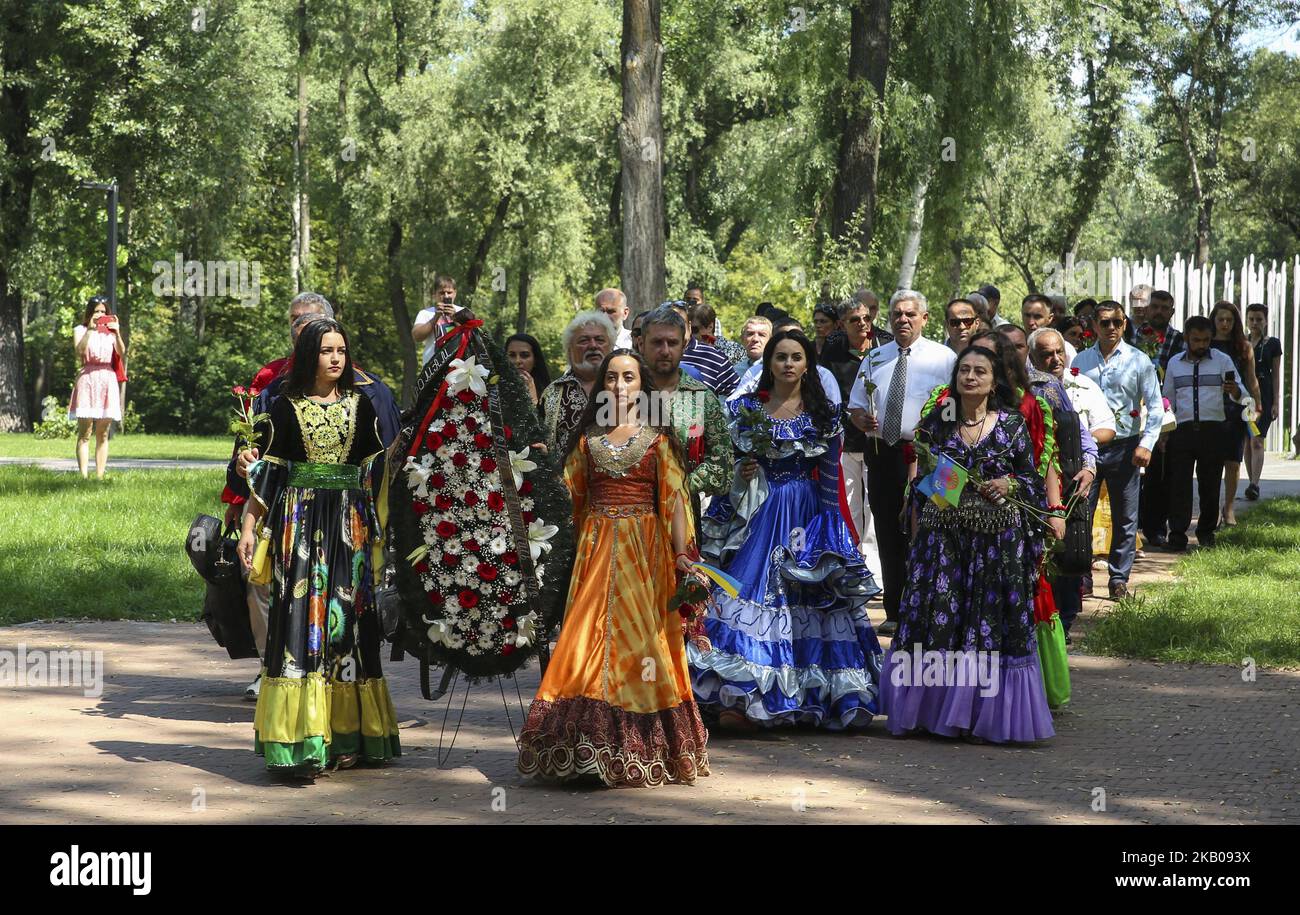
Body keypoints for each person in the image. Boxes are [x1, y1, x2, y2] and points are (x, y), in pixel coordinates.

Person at [517, 350, 710, 787]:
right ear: (602, 386)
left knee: (643, 646)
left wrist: (683, 556)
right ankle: (585, 747)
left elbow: (676, 501)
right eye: (612, 378)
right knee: (583, 640)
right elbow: (568, 501)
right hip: (595, 556)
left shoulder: (660, 441)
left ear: (642, 386)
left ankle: (636, 746)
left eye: (629, 377)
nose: (620, 386)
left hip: (646, 560)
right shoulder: (586, 442)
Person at [689, 330, 883, 729]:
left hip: (807, 513)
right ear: (769, 364)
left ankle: (812, 695)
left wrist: (833, 536)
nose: (789, 364)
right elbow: (730, 466)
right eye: (781, 357)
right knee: (745, 588)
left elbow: (830, 476)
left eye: (796, 357)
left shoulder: (824, 414)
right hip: (760, 511)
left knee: (808, 600)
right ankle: (740, 696)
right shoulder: (746, 410)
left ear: (807, 364)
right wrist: (743, 472)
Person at [237, 318, 400, 777]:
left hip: (350, 529)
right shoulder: (283, 410)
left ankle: (349, 736)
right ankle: (300, 741)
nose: (335, 358)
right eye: (327, 350)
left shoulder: (362, 406)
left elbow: (380, 473)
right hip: (300, 528)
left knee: (346, 627)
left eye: (342, 351)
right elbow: (268, 478)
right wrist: (249, 528)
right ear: (309, 354)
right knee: (300, 626)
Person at [878, 344, 1053, 744]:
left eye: (980, 372)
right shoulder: (939, 423)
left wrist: (1007, 483)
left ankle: (985, 716)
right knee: (942, 621)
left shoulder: (1010, 424)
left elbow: (1031, 481)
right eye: (964, 371)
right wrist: (957, 487)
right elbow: (924, 485)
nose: (970, 377)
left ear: (994, 383)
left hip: (997, 545)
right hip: (943, 541)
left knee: (987, 626)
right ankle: (934, 713)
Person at [848, 290, 957, 635]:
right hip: (883, 454)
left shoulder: (945, 358)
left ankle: (937, 608)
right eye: (897, 314)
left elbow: (957, 409)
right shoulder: (875, 358)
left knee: (938, 527)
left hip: (936, 456)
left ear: (925, 318)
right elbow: (853, 406)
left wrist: (936, 432)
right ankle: (895, 609)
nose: (903, 320)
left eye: (910, 314)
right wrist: (860, 419)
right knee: (888, 530)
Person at [1070, 301, 1164, 599]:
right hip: (1089, 447)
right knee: (1082, 513)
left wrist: (1146, 444)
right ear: (1094, 326)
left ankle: (1118, 578)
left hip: (1126, 446)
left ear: (1124, 325)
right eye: (1104, 322)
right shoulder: (1080, 361)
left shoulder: (1139, 361)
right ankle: (1081, 575)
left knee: (1126, 515)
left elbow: (1156, 407)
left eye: (1117, 322)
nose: (1111, 328)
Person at [1030, 326, 1113, 635]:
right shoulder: (1012, 394)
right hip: (1026, 497)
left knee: (1068, 562)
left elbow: (1083, 436)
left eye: (1058, 352)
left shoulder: (1055, 389)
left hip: (1067, 491)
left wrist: (1089, 467)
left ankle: (1060, 633)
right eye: (1045, 355)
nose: (1054, 359)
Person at [639, 306, 733, 521]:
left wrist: (680, 484)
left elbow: (723, 468)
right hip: (629, 517)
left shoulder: (703, 398)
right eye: (656, 342)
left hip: (684, 513)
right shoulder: (623, 396)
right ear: (641, 344)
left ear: (684, 345)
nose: (664, 350)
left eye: (672, 343)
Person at [1161, 316, 1242, 550]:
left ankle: (1206, 534)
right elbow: (1168, 400)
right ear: (1186, 338)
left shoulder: (1222, 360)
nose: (1201, 345)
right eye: (1196, 340)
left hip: (1213, 430)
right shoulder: (1175, 363)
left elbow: (1241, 394)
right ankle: (1177, 535)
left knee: (1210, 484)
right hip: (1182, 430)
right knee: (1180, 486)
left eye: (1206, 340)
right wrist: (1164, 434)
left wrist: (1234, 390)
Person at [820, 297, 885, 578]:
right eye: (854, 320)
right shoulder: (833, 353)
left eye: (866, 319)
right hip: (845, 440)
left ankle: (872, 566)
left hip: (878, 439)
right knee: (848, 501)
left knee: (874, 503)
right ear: (841, 325)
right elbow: (825, 392)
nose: (862, 324)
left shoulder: (884, 349)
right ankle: (850, 561)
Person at [1134, 289, 1183, 548]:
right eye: (1155, 307)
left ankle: (1155, 528)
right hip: (1131, 408)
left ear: (1171, 312)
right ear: (1147, 308)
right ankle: (1131, 529)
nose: (1159, 312)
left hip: (1161, 409)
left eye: (1165, 308)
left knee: (1159, 473)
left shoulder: (1179, 340)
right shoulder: (1132, 335)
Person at [1209, 301, 1262, 526]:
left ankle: (1229, 507)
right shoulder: (1205, 344)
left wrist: (1257, 405)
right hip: (1210, 408)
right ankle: (1210, 509)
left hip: (1236, 407)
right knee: (1211, 461)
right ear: (1213, 321)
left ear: (1236, 322)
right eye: (1220, 319)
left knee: (1233, 460)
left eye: (1229, 320)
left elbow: (1251, 378)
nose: (1224, 324)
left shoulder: (1244, 346)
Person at [539, 310, 615, 457]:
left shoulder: (628, 388)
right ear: (569, 350)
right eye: (584, 340)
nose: (593, 346)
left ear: (611, 347)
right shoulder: (553, 393)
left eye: (600, 340)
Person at [69, 295, 126, 480]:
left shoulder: (110, 333)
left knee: (103, 433)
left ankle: (100, 476)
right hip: (87, 378)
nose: (100, 314)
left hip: (107, 379)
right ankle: (83, 476)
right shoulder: (80, 329)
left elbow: (121, 352)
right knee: (85, 432)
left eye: (103, 311)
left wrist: (117, 333)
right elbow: (79, 351)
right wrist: (90, 331)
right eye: (96, 311)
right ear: (89, 313)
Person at [1245, 303, 1282, 501]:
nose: (1255, 323)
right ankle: (1252, 482)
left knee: (1257, 440)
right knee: (1247, 441)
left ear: (1266, 320)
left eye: (1259, 319)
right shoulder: (1241, 341)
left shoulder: (1272, 344)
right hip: (1244, 396)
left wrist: (1276, 402)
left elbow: (1275, 375)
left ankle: (1254, 483)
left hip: (1264, 395)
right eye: (1251, 319)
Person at [674, 299, 740, 397]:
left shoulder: (717, 357)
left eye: (681, 324)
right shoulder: (652, 355)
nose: (676, 329)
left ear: (689, 326)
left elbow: (740, 398)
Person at [412, 274, 460, 365]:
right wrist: (436, 317)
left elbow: (472, 336)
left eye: (449, 292)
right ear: (434, 295)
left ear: (455, 293)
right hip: (433, 368)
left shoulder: (462, 311)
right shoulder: (425, 313)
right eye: (442, 293)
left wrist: (456, 318)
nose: (446, 296)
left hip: (457, 367)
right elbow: (417, 337)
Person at [1022, 294, 1077, 363]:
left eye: (1037, 317)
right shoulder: (1014, 346)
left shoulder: (1066, 349)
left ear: (1050, 318)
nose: (1031, 322)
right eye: (1027, 315)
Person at [505, 332, 552, 412]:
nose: (517, 361)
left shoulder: (551, 394)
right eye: (512, 355)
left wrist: (533, 400)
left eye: (525, 355)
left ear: (535, 360)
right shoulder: (493, 388)